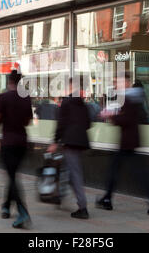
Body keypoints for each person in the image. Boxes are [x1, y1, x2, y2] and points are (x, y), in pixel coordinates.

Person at [96, 73, 149, 216]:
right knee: (121, 171)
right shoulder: (132, 97)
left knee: (134, 174)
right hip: (130, 141)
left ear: (125, 82)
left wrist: (110, 115)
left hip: (128, 142)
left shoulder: (129, 97)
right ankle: (107, 199)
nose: (115, 85)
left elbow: (127, 119)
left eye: (117, 82)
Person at [0, 70, 33, 229]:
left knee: (12, 177)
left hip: (9, 143)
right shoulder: (26, 97)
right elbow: (27, 122)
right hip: (22, 142)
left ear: (9, 81)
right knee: (12, 175)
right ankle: (5, 206)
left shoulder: (3, 97)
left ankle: (23, 213)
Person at [48, 77, 92, 219]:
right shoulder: (83, 104)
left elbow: (61, 123)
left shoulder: (66, 102)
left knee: (75, 174)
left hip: (69, 141)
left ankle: (83, 207)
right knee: (67, 170)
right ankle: (59, 195)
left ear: (70, 87)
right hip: (79, 142)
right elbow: (88, 124)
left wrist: (55, 141)